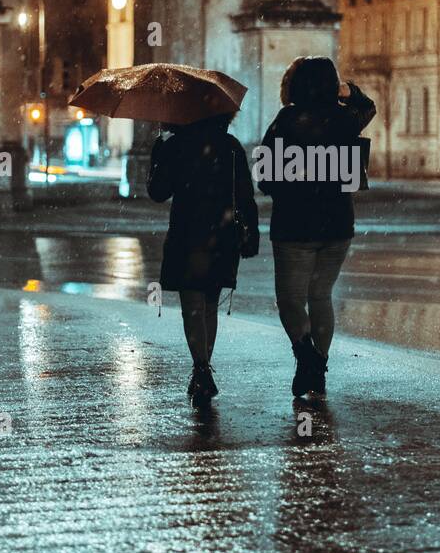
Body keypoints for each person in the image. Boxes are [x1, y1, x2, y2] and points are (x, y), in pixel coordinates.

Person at [259, 57, 376, 398]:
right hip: (337, 223)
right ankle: (318, 369)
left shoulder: (284, 122)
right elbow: (367, 106)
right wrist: (346, 91)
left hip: (294, 224)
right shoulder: (346, 120)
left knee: (291, 300)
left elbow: (265, 179)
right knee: (320, 295)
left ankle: (306, 357)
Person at [147, 112, 259, 407]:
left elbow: (157, 192)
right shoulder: (231, 145)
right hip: (222, 235)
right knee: (209, 304)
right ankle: (203, 367)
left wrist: (158, 151)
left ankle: (201, 368)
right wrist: (251, 233)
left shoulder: (176, 146)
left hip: (187, 233)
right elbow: (245, 195)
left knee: (192, 307)